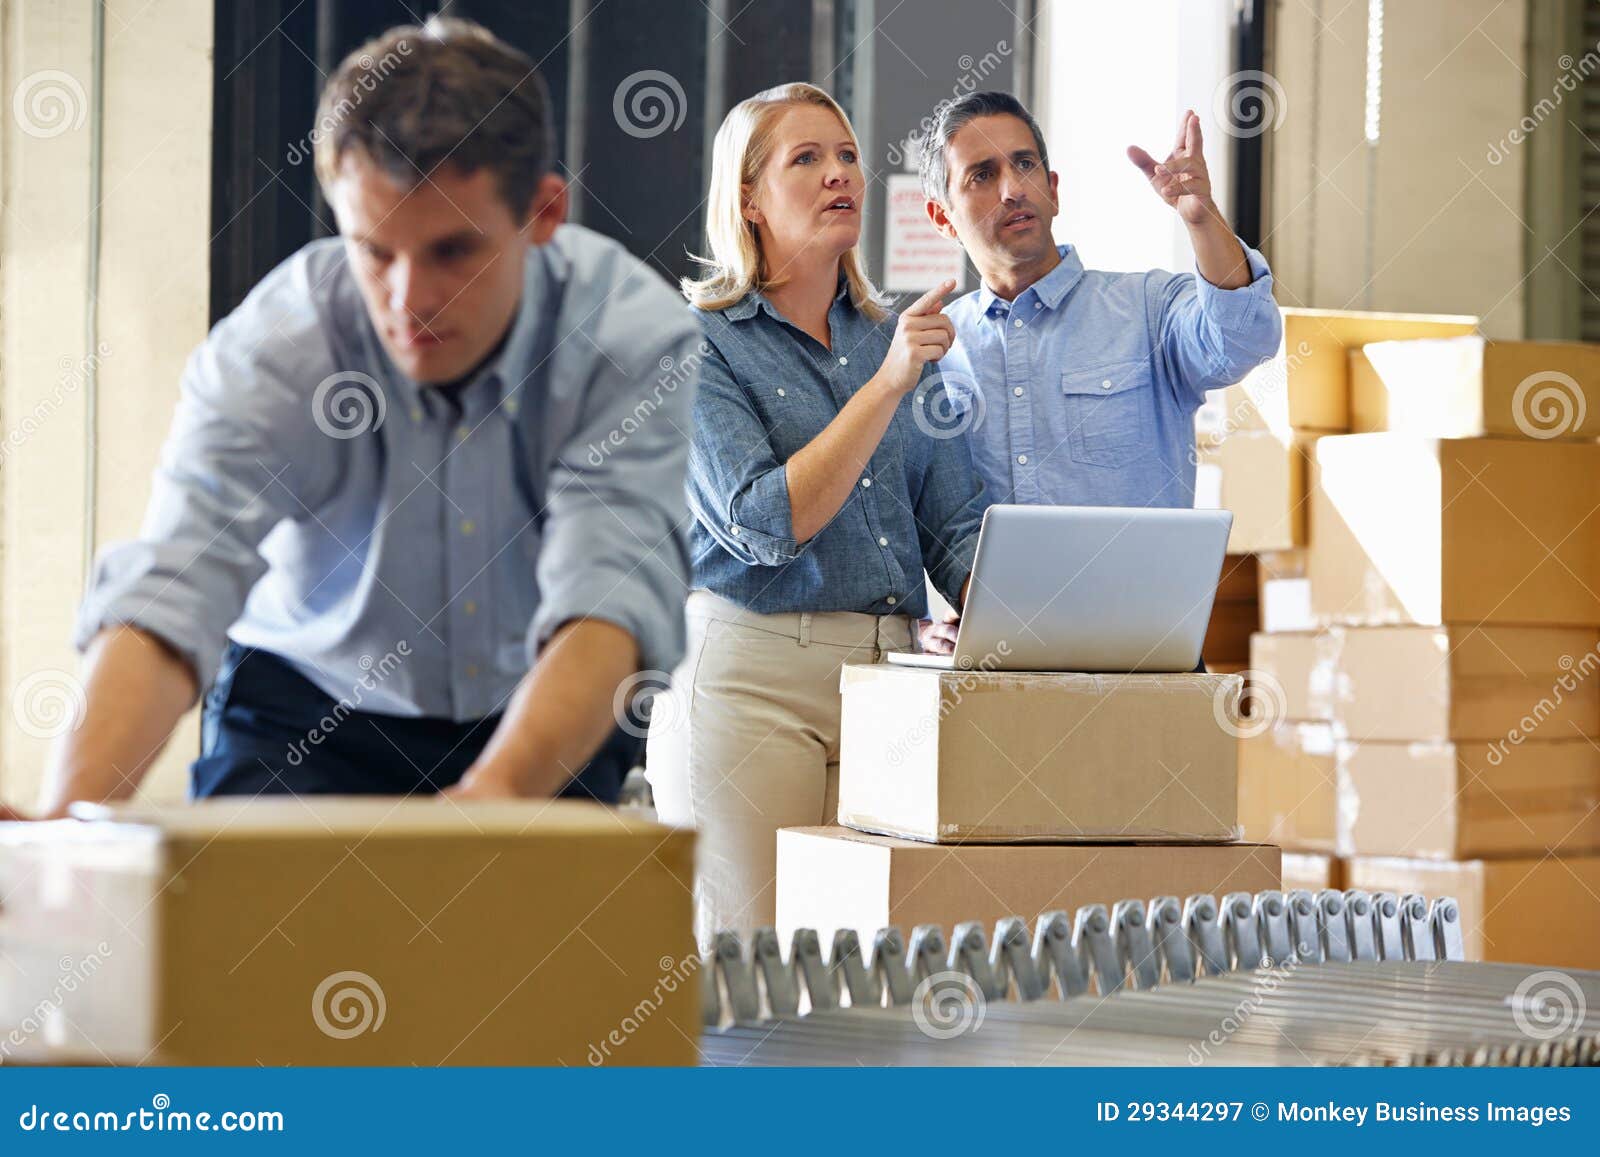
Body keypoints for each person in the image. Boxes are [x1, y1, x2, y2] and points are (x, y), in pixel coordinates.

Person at [7, 17, 699, 819]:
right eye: (374, 250)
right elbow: (177, 581)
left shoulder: (628, 337)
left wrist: (487, 807)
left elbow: (609, 596)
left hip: (545, 708)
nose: (410, 300)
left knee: (519, 900)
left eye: (452, 251)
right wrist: (61, 834)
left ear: (543, 214)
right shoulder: (279, 346)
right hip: (306, 711)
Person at [645, 83, 986, 945]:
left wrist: (1019, 613)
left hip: (889, 687)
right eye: (807, 159)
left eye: (847, 157)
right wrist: (887, 386)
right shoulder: (697, 342)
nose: (840, 174)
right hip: (751, 681)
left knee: (866, 968)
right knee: (748, 962)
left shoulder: (894, 337)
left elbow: (953, 529)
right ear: (749, 200)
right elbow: (764, 524)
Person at [916, 92, 1282, 654]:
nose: (1013, 189)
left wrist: (1202, 219)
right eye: (982, 175)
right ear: (942, 217)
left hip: (1143, 661)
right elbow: (908, 514)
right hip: (992, 664)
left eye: (1024, 164)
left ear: (1053, 189)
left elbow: (1244, 338)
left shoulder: (1148, 308)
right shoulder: (931, 354)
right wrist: (919, 627)